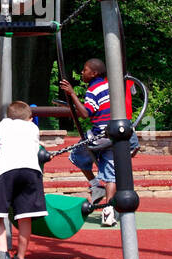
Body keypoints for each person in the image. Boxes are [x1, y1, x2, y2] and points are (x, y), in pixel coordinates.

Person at [58, 58, 138, 227]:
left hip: (103, 135)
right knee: (106, 170)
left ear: (94, 73)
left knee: (80, 156)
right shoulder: (112, 85)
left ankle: (101, 195)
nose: (82, 72)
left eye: (85, 70)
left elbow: (86, 113)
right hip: (118, 133)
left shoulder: (93, 89)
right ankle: (103, 202)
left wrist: (72, 94)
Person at [0, 101, 47, 259]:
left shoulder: (4, 124)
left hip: (6, 171)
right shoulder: (33, 129)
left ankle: (3, 254)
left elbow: (0, 138)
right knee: (24, 217)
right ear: (30, 118)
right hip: (31, 171)